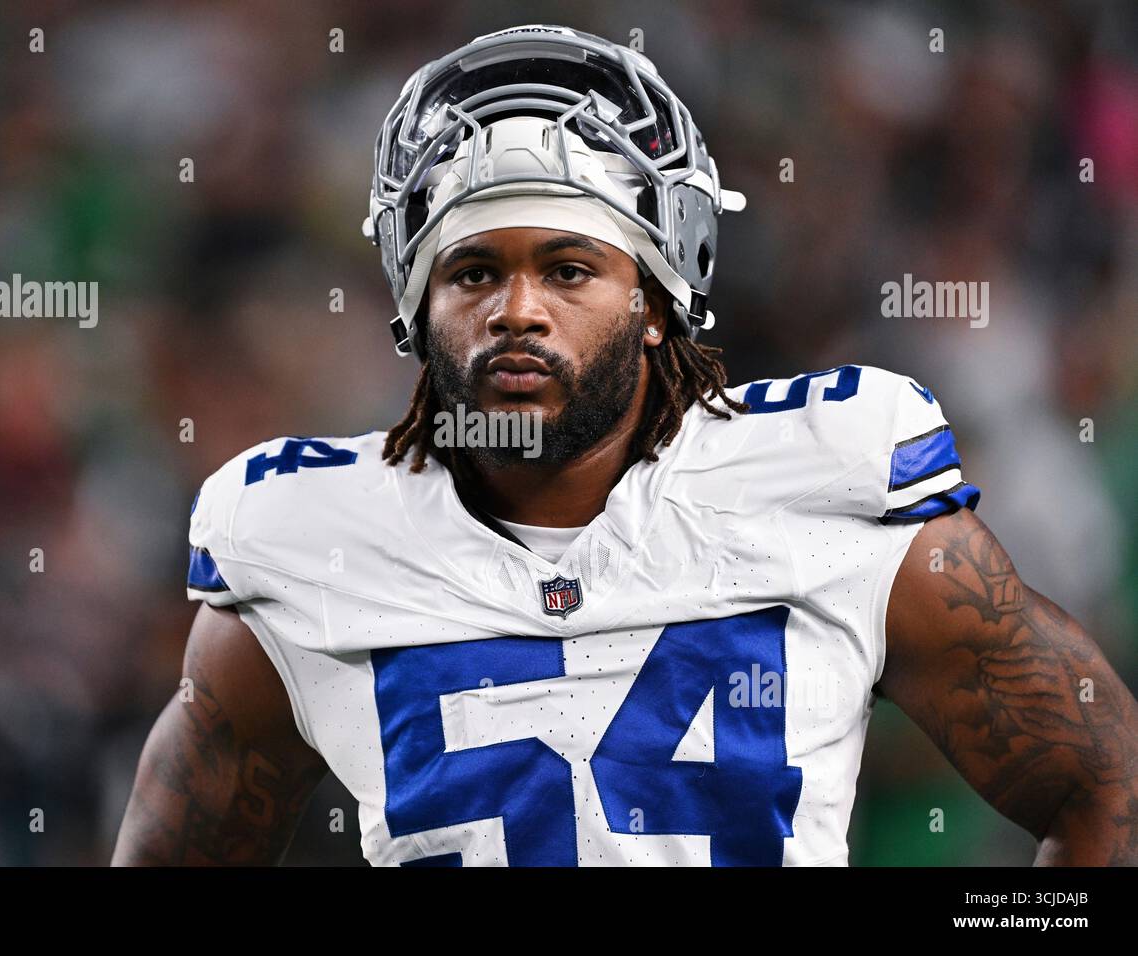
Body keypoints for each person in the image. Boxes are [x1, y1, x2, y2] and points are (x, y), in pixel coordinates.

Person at [113, 24, 1137, 866]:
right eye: (473, 272)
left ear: (654, 299)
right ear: (418, 306)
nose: (518, 310)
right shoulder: (309, 546)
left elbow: (1104, 786)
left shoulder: (825, 484)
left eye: (567, 269)